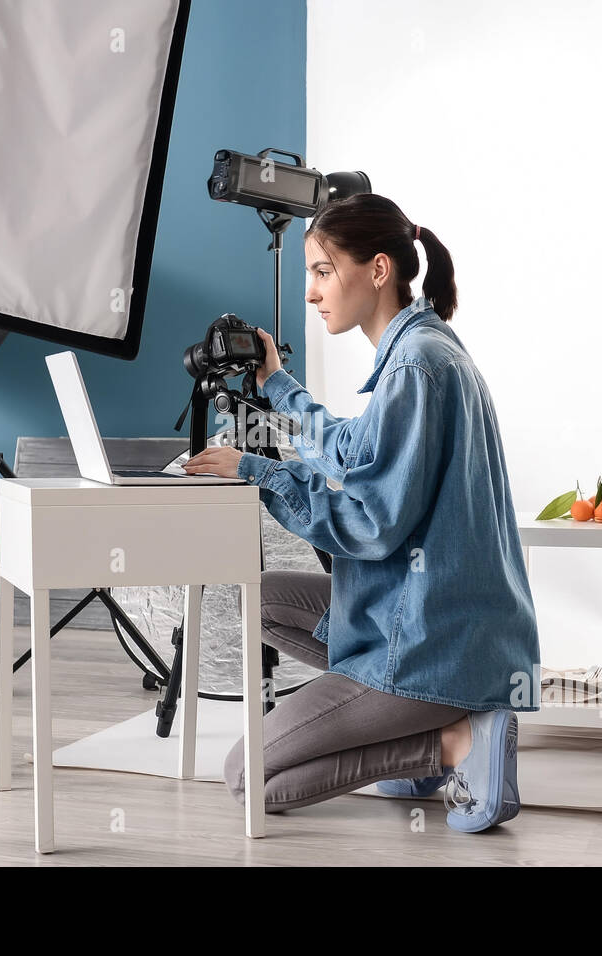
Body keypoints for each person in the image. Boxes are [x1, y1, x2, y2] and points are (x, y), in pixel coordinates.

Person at [182, 193, 540, 832]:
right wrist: (277, 385)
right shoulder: (423, 349)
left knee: (247, 775)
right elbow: (356, 450)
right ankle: (408, 722)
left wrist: (260, 472)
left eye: (323, 271)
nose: (312, 294)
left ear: (378, 270)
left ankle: (453, 739)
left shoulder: (417, 367)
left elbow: (371, 522)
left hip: (429, 639)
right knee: (259, 598)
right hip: (450, 618)